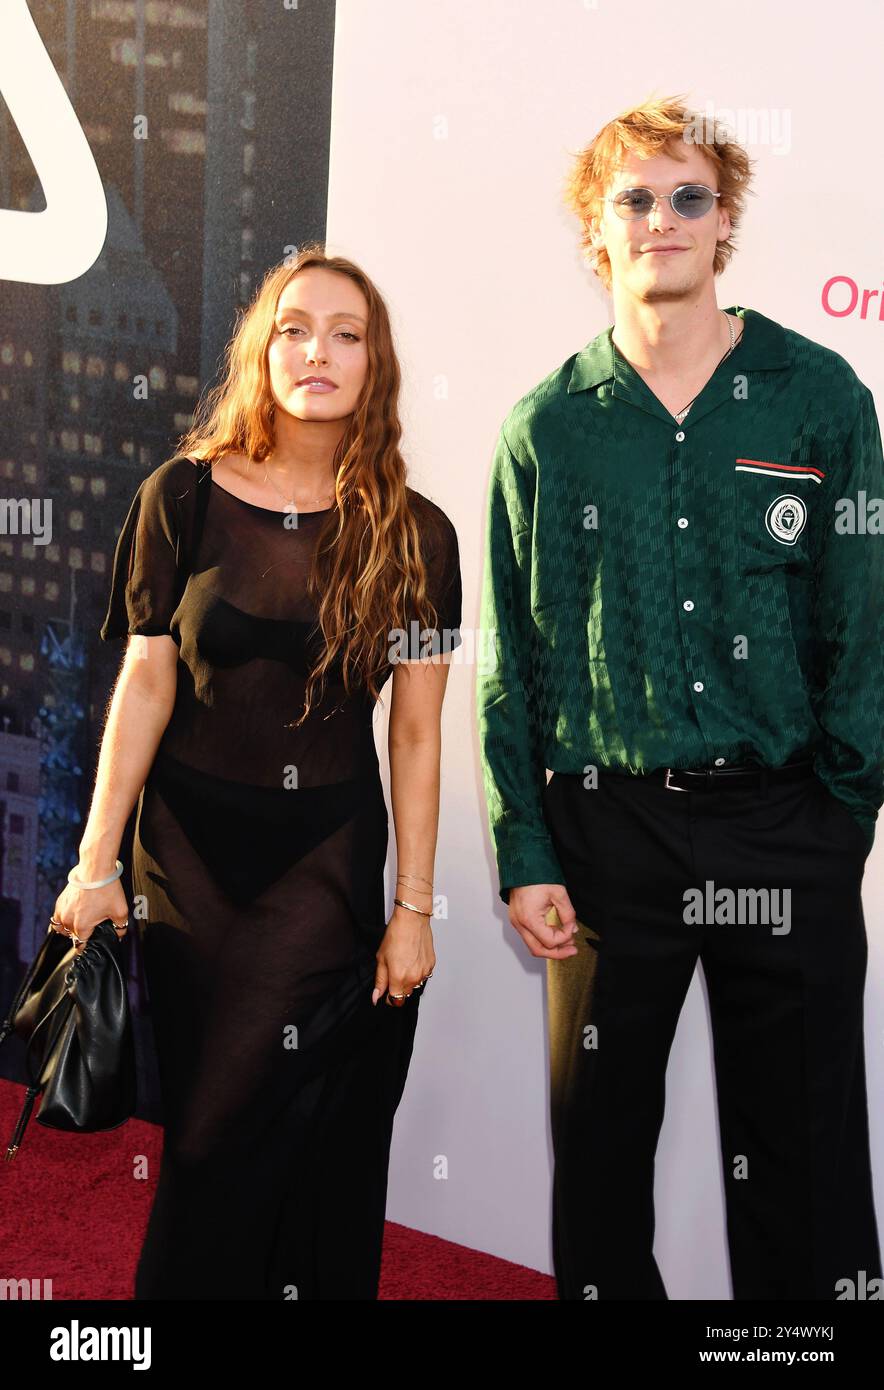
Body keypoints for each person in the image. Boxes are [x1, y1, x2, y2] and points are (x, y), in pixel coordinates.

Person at [476, 96, 884, 1300]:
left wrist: (839, 814)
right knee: (597, 1162)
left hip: (784, 824)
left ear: (724, 225)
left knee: (804, 1161)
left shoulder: (817, 397)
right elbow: (515, 661)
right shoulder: (547, 427)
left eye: (687, 197)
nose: (661, 219)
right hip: (607, 842)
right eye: (633, 200)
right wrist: (524, 845)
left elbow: (861, 620)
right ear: (595, 235)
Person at [51, 246, 462, 1300]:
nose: (314, 349)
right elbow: (145, 682)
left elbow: (415, 735)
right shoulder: (179, 496)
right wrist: (95, 862)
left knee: (263, 1125)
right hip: (180, 860)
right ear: (259, 349)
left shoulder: (417, 537)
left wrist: (413, 907)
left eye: (344, 332)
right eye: (291, 326)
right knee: (199, 1119)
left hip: (318, 864)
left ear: (375, 365)